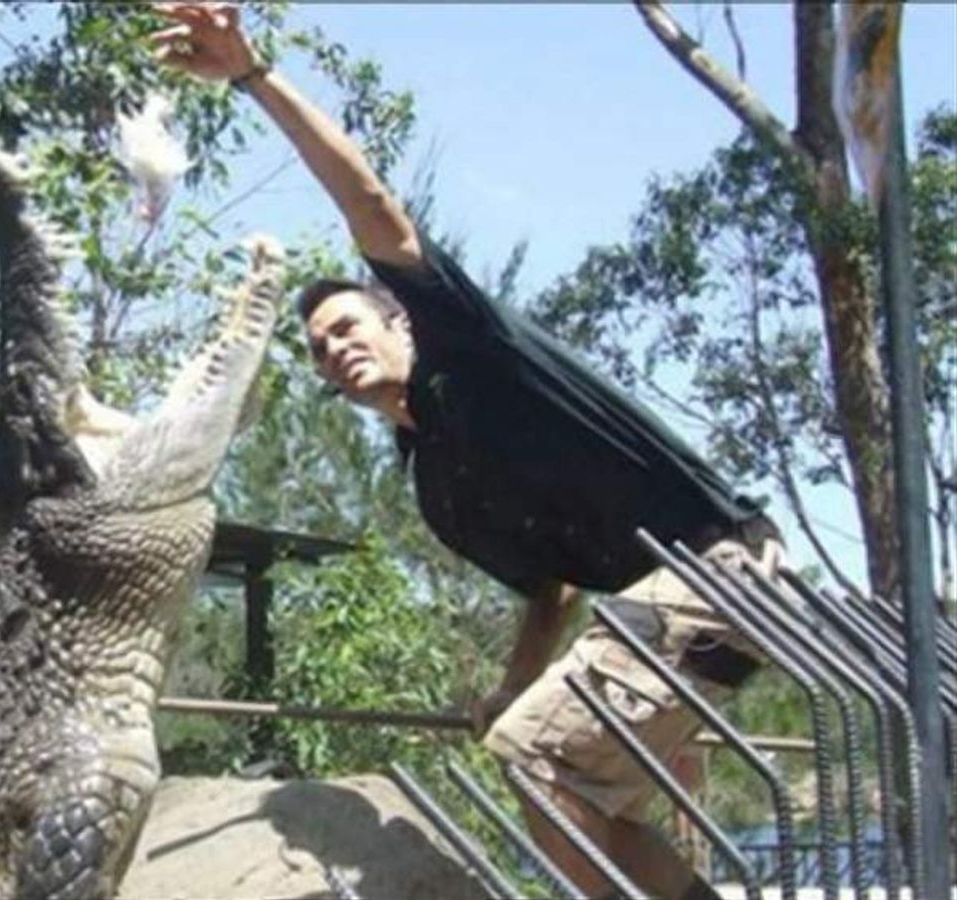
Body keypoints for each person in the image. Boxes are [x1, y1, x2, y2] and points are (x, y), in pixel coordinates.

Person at [150, 5, 786, 899]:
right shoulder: (439, 490)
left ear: (402, 321)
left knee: (534, 757)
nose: (333, 348)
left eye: (346, 325)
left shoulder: (469, 350)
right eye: (319, 350)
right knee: (588, 795)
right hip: (685, 610)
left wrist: (255, 78)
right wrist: (510, 688)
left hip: (720, 566)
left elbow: (370, 205)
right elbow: (547, 590)